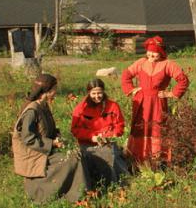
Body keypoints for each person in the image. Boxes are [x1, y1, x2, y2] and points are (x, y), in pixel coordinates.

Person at [11, 74, 91, 203]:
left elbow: (49, 130)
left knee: (77, 152)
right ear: (46, 91)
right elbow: (28, 139)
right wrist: (52, 143)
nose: (56, 92)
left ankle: (83, 191)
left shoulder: (44, 106)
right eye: (54, 89)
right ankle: (73, 195)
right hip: (34, 153)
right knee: (72, 159)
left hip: (44, 148)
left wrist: (58, 139)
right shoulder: (32, 111)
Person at [121, 36, 189, 166]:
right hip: (141, 103)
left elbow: (183, 80)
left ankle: (156, 160)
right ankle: (137, 160)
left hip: (157, 103)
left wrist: (171, 93)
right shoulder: (141, 63)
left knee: (157, 128)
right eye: (149, 51)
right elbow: (126, 75)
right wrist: (131, 89)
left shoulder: (168, 64)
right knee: (140, 128)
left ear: (161, 52)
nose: (151, 54)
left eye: (155, 52)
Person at [71, 78, 128, 186]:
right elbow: (75, 130)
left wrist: (108, 136)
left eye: (99, 93)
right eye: (93, 93)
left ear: (104, 92)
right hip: (87, 144)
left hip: (108, 142)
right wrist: (92, 137)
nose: (97, 96)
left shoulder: (113, 106)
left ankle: (116, 183)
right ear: (88, 93)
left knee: (110, 154)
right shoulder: (80, 108)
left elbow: (119, 127)